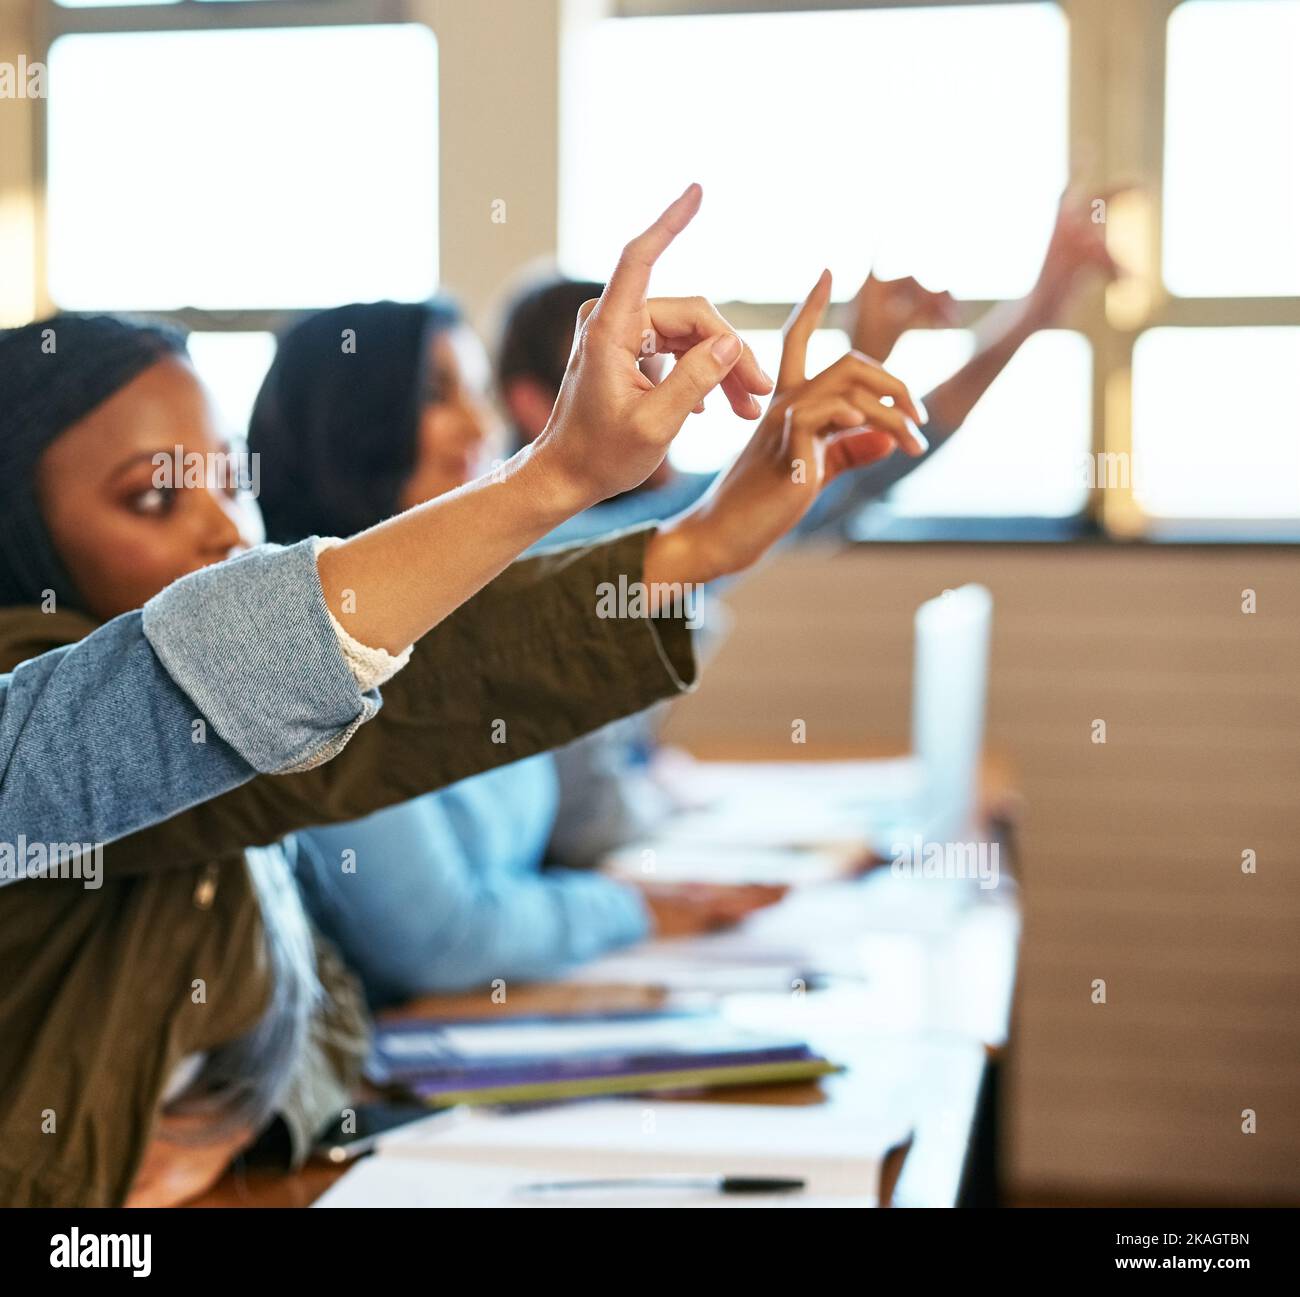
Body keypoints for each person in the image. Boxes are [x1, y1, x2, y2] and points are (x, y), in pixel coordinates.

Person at [0, 187, 927, 1206]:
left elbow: (324, 984)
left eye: (229, 479)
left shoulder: (213, 771)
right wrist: (581, 491)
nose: (224, 532)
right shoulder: (59, 716)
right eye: (150, 497)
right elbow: (253, 704)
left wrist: (231, 1119)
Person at [247, 299, 784, 1005]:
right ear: (348, 421)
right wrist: (628, 908)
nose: (480, 425)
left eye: (476, 391)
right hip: (406, 1046)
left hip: (502, 1002)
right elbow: (440, 940)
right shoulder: (303, 646)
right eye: (437, 395)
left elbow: (689, 541)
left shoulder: (472, 602)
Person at [497, 188, 1119, 546]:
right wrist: (864, 365)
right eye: (629, 379)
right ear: (530, 403)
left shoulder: (650, 517)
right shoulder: (557, 546)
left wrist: (1029, 321)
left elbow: (833, 475)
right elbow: (792, 487)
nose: (661, 405)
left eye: (650, 367)